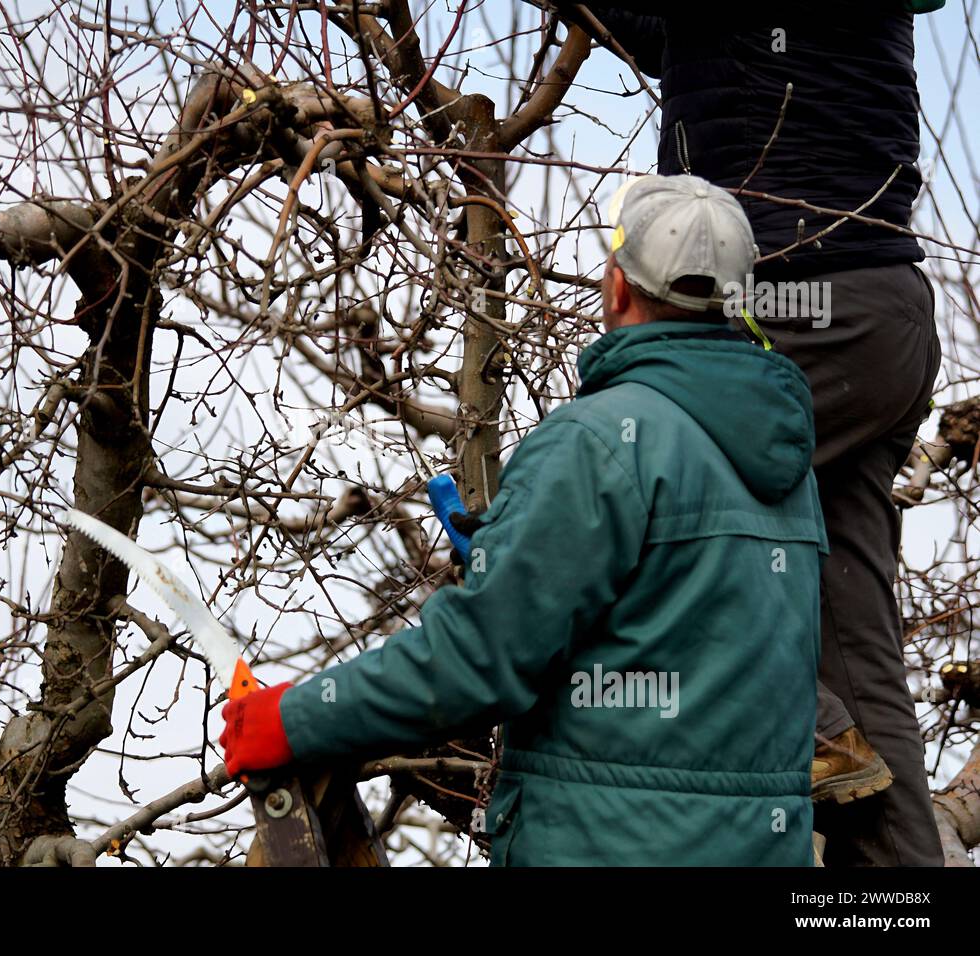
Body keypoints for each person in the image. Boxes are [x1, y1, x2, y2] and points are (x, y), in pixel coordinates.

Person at [221, 175, 826, 866]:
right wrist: (520, 552)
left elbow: (480, 660)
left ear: (617, 286)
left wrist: (293, 717)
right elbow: (690, 633)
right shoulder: (786, 461)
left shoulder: (597, 439)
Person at [577, 1, 944, 867]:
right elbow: (665, 30)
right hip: (884, 312)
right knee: (851, 644)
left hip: (792, 310)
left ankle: (813, 729)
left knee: (629, 514)